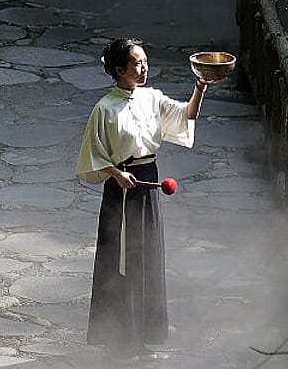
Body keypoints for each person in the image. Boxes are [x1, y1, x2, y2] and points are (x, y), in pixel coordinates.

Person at [74, 37, 208, 359]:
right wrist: (117, 174)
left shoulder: (152, 99)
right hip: (121, 191)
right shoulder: (104, 108)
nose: (144, 67)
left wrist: (201, 87)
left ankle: (143, 338)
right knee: (120, 263)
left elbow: (186, 115)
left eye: (145, 61)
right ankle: (118, 340)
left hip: (149, 186)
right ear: (120, 70)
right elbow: (92, 155)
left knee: (147, 259)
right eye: (137, 63)